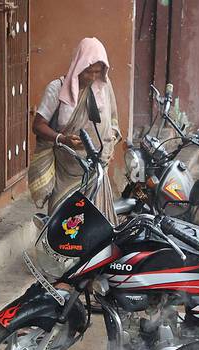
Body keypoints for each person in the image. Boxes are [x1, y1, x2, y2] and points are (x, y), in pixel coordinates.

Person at [28, 36, 122, 218]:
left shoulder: (104, 87)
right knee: (62, 224)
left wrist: (108, 148)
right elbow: (38, 126)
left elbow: (112, 122)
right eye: (88, 71)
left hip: (96, 170)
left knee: (94, 225)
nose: (93, 77)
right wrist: (62, 139)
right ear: (78, 65)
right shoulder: (57, 89)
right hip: (66, 171)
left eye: (97, 72)